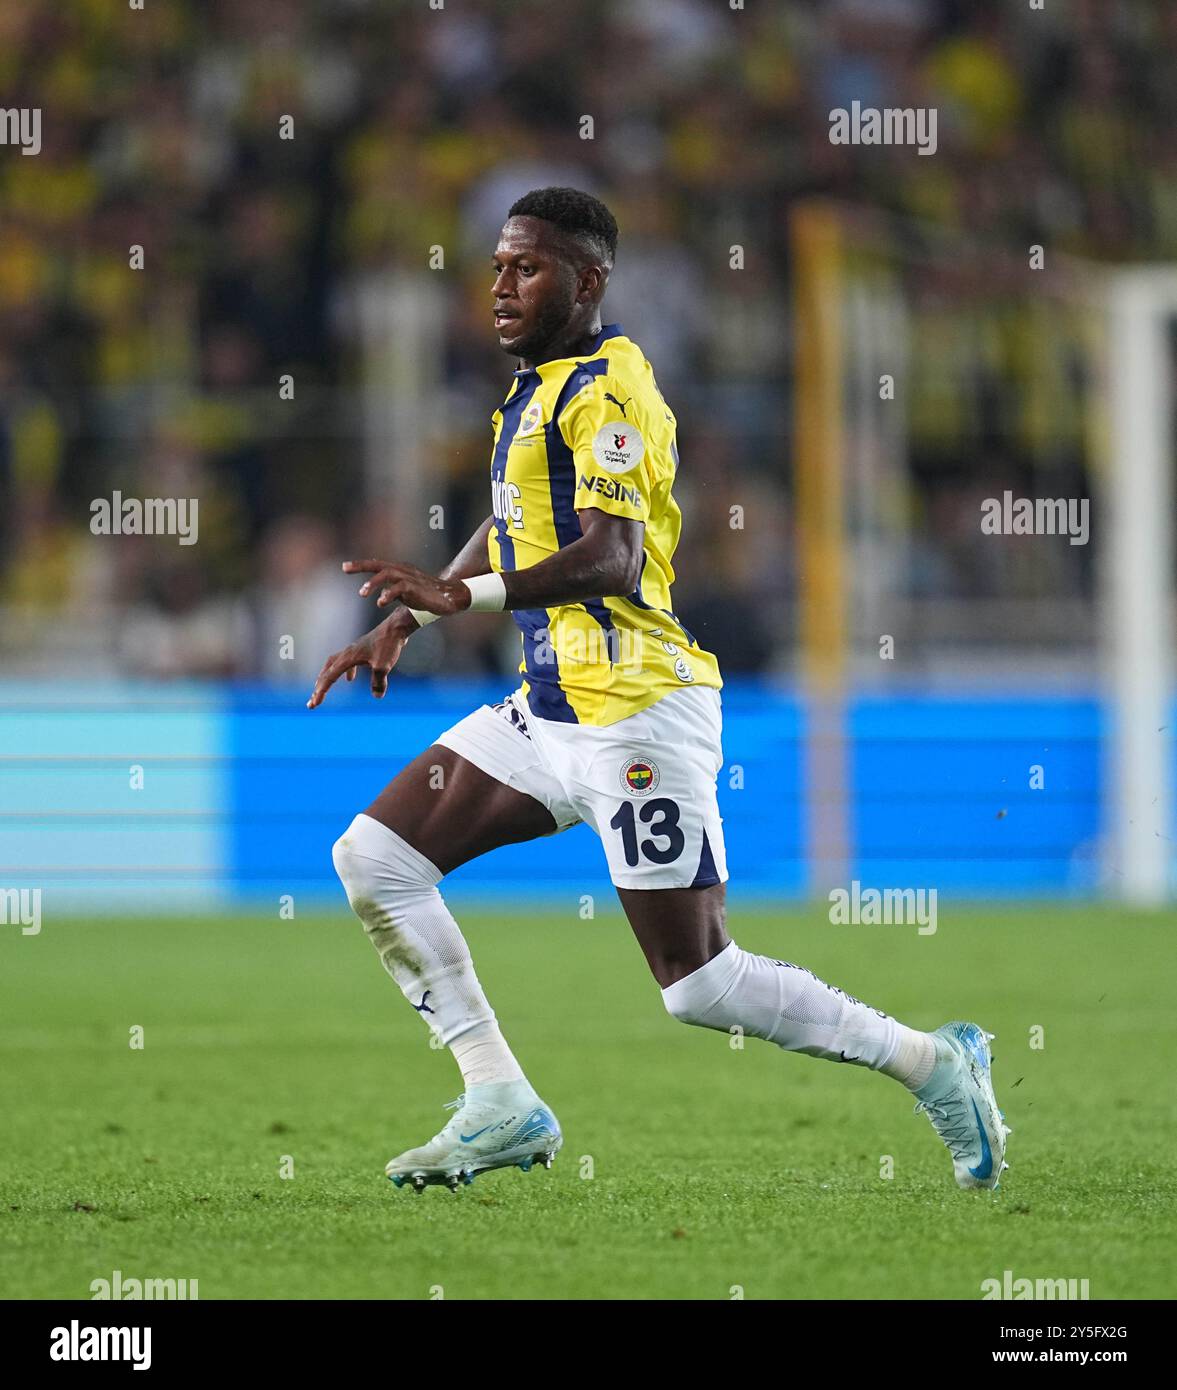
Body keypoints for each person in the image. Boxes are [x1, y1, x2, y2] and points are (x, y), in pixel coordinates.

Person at [308, 187, 1009, 1194]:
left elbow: (612, 558)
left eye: (528, 268)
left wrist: (458, 592)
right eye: (498, 266)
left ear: (587, 282)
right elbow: (518, 524)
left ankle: (932, 1062)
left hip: (635, 707)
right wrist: (409, 619)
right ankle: (499, 1099)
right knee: (375, 857)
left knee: (701, 984)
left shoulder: (612, 388)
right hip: (546, 708)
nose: (502, 285)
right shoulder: (534, 389)